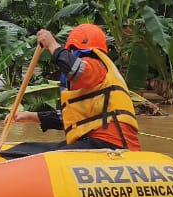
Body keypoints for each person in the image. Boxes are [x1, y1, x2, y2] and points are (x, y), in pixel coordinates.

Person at [11, 24, 141, 151]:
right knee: (27, 149)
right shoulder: (91, 84)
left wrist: (52, 45)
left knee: (52, 156)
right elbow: (70, 118)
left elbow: (76, 69)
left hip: (111, 144)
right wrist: (30, 116)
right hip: (94, 142)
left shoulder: (97, 66)